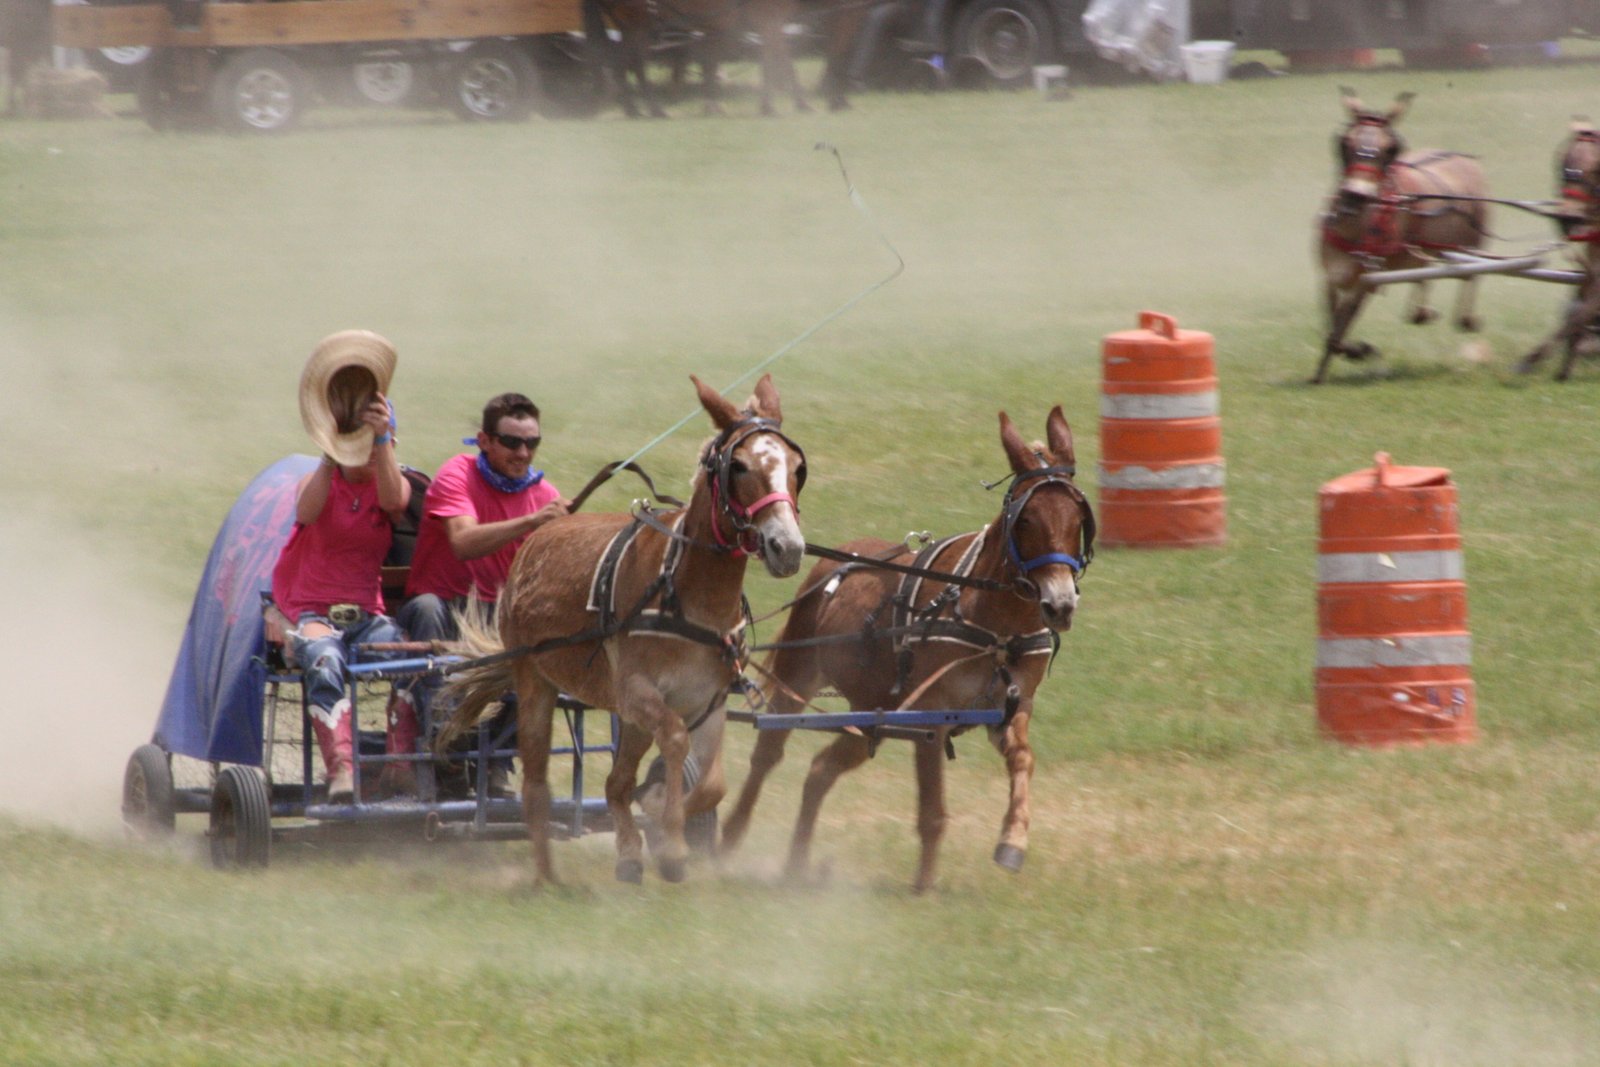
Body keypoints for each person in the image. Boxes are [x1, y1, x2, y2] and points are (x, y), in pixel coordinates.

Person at [395, 392, 571, 797]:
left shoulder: (545, 495)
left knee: (534, 635)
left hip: (500, 615)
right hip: (443, 609)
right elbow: (463, 542)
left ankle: (496, 764)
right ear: (485, 440)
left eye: (532, 444)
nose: (523, 453)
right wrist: (533, 521)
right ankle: (448, 752)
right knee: (425, 608)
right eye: (511, 442)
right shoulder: (456, 474)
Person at [271, 330, 411, 803]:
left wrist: (385, 440)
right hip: (313, 612)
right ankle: (342, 772)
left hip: (367, 615)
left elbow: (396, 501)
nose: (366, 455)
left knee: (413, 662)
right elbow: (305, 513)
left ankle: (400, 764)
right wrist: (332, 456)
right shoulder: (320, 481)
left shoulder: (389, 480)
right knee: (326, 661)